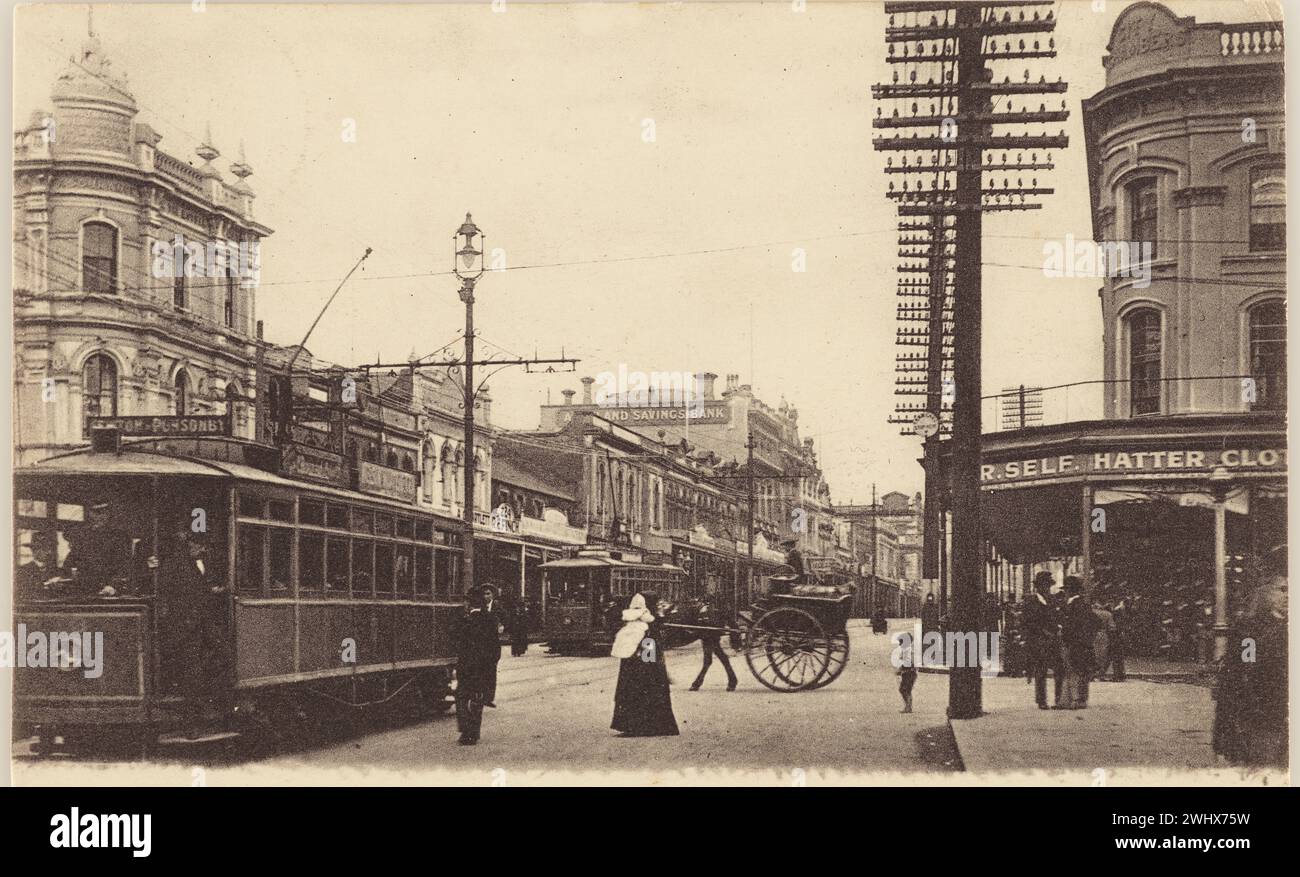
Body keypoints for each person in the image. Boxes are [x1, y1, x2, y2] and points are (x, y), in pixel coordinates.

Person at [1212, 557, 1287, 768]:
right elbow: (1242, 676)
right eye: (1281, 589)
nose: (1288, 595)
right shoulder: (1251, 633)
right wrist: (1225, 736)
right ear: (1264, 592)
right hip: (1266, 726)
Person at [158, 528, 227, 736]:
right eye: (194, 545)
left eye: (201, 545)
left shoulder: (204, 563)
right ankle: (192, 724)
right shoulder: (174, 565)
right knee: (191, 673)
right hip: (184, 626)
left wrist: (215, 591)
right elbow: (169, 594)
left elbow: (204, 589)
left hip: (203, 624)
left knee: (222, 656)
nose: (198, 548)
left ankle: (211, 707)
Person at [611, 592, 679, 737]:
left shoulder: (649, 628)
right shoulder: (647, 625)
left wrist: (637, 663)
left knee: (640, 694)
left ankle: (641, 727)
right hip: (638, 667)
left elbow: (649, 657)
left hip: (641, 672)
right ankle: (637, 726)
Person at [65, 502, 142, 596]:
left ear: (108, 514)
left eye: (103, 513)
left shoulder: (119, 536)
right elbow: (71, 561)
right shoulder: (83, 536)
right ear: (89, 514)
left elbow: (125, 564)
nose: (99, 517)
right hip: (85, 590)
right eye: (95, 512)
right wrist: (59, 577)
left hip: (111, 590)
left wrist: (114, 585)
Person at [454, 590, 500, 745]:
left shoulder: (464, 620)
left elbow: (459, 644)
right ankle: (473, 733)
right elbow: (495, 648)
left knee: (461, 697)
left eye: (466, 601)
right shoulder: (490, 619)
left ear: (470, 603)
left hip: (466, 667)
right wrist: (490, 665)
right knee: (476, 700)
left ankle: (465, 731)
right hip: (482, 668)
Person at [1023, 571, 1063, 709]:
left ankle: (1059, 699)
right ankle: (1042, 701)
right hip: (1038, 640)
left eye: (1048, 585)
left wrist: (1058, 628)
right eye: (1044, 585)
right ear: (1038, 587)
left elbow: (1057, 617)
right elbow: (1028, 622)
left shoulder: (1053, 600)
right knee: (1041, 671)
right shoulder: (1030, 602)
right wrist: (1043, 632)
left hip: (1054, 640)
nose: (1047, 588)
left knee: (1059, 669)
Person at [1058, 576, 1098, 709]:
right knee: (1081, 670)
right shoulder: (1083, 604)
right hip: (1082, 642)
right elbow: (1094, 622)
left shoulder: (1073, 605)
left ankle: (1074, 700)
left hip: (1073, 642)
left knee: (1074, 670)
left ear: (1069, 591)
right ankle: (1079, 699)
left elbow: (1070, 625)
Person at [689, 596, 737, 692]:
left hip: (709, 631)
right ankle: (732, 679)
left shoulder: (707, 611)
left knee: (711, 657)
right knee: (718, 655)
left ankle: (698, 682)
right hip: (708, 630)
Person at [16, 531, 71, 598]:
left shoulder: (57, 571)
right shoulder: (23, 571)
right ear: (34, 550)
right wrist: (48, 583)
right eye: (43, 549)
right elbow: (23, 593)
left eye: (49, 548)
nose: (48, 552)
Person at [479, 585, 503, 706]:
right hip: (483, 644)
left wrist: (502, 627)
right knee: (483, 671)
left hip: (493, 645)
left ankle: (489, 698)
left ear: (493, 595)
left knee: (491, 671)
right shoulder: (481, 608)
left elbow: (505, 620)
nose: (486, 596)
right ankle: (482, 695)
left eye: (488, 594)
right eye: (484, 594)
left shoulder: (497, 607)